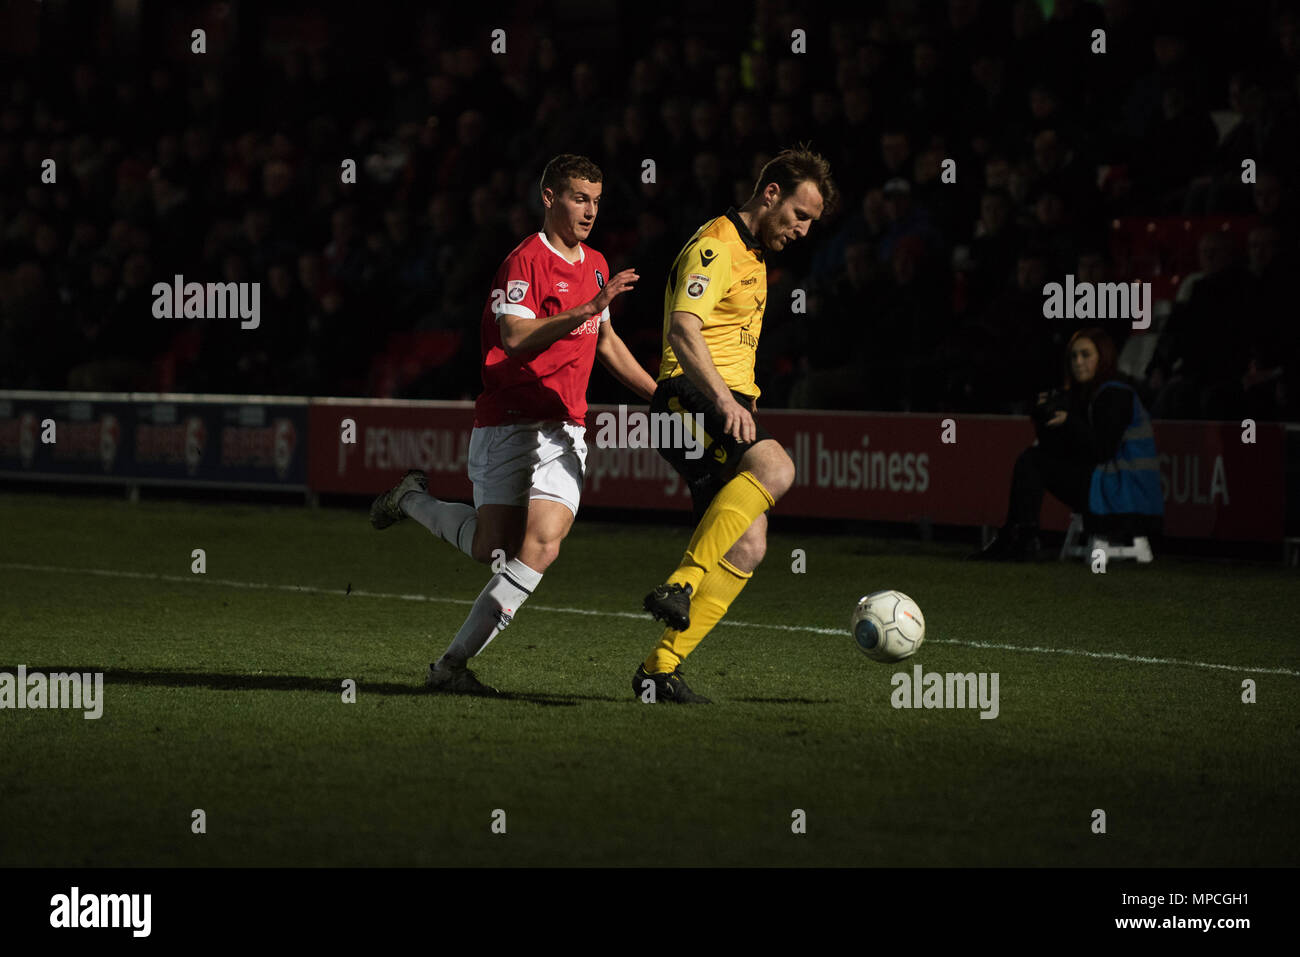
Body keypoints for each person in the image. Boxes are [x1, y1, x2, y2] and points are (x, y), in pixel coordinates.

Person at [370, 154, 656, 694]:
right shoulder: (524, 260)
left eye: (597, 200)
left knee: (542, 547)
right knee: (490, 549)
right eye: (579, 198)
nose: (590, 210)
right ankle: (410, 499)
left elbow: (607, 342)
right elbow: (515, 337)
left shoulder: (596, 261)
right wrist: (587, 307)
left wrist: (660, 396)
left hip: (565, 427)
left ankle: (449, 667)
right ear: (549, 198)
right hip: (510, 422)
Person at [636, 147, 837, 704]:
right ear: (770, 193)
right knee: (776, 466)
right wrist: (725, 401)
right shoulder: (715, 245)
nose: (802, 230)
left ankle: (659, 669)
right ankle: (680, 583)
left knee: (748, 545)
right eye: (800, 215)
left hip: (718, 403)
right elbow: (683, 329)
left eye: (811, 223)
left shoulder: (753, 254)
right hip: (689, 398)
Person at [970, 327, 1164, 561]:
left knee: (1032, 461)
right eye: (1073, 356)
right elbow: (1065, 451)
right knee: (1033, 459)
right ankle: (1019, 535)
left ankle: (1019, 537)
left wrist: (1070, 422)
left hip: (1125, 493)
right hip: (1109, 485)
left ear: (1103, 356)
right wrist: (1043, 418)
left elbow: (1101, 451)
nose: (1078, 362)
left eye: (1085, 355)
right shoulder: (1089, 394)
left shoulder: (1115, 393)